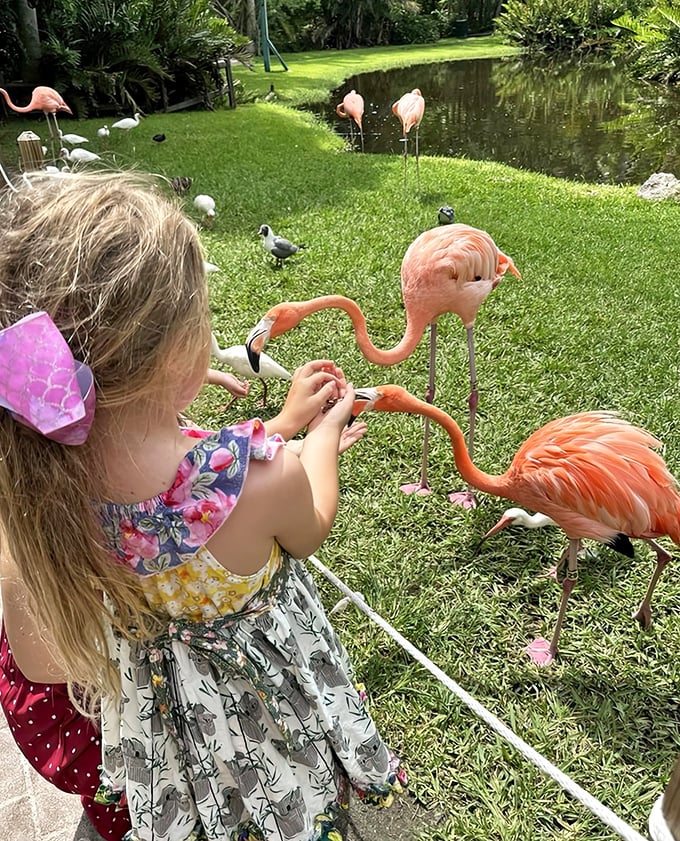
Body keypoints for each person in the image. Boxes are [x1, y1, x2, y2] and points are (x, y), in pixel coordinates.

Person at [0, 171, 405, 841]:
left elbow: (43, 663)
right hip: (267, 724)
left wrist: (277, 425)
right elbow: (309, 525)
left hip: (168, 748)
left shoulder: (41, 491)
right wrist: (323, 434)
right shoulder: (261, 480)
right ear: (182, 351)